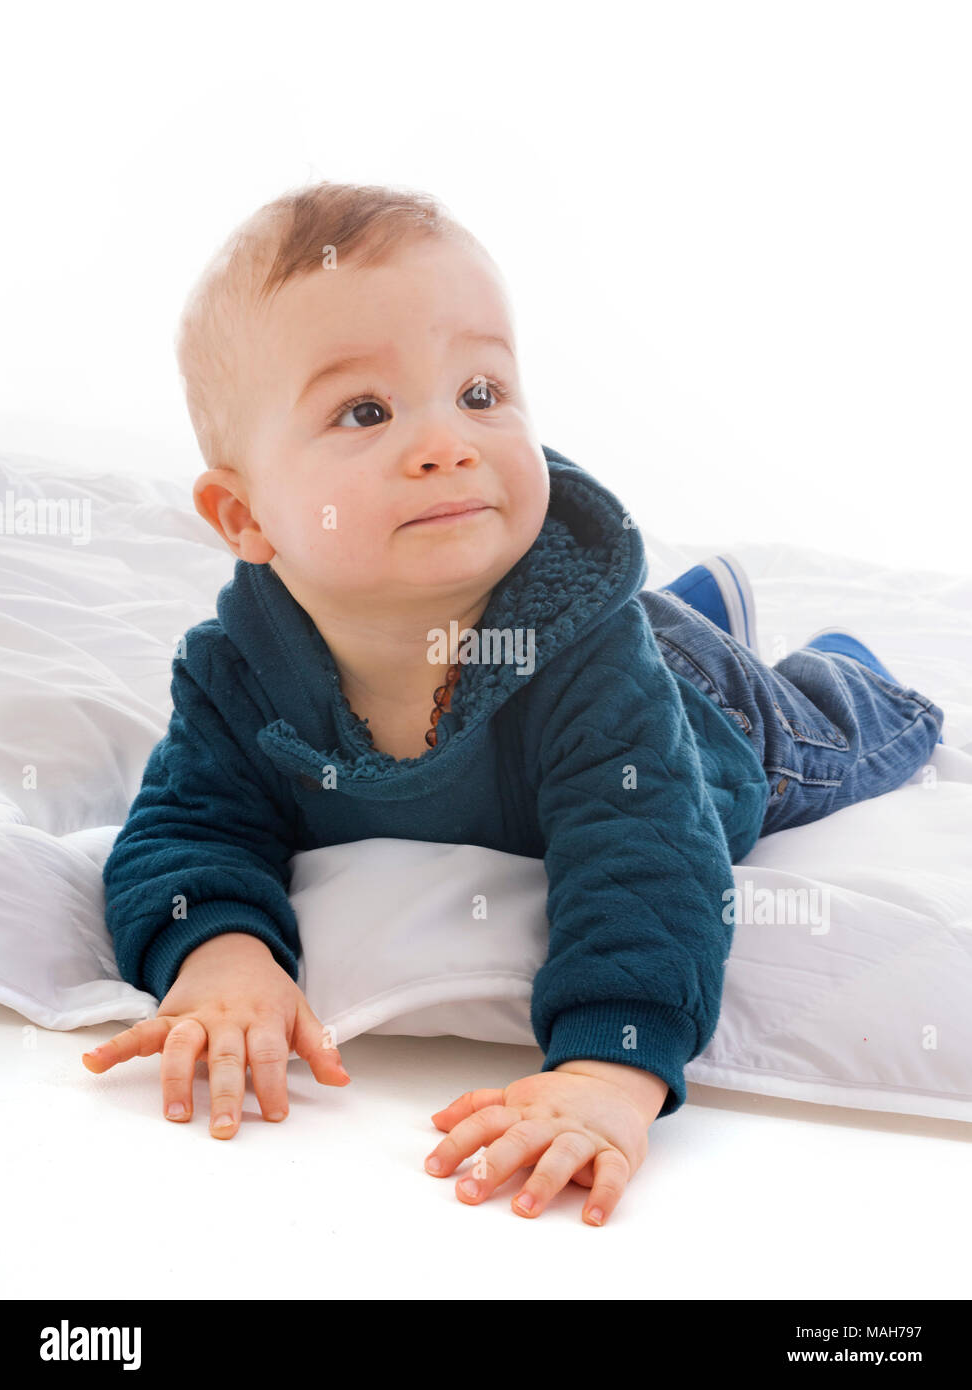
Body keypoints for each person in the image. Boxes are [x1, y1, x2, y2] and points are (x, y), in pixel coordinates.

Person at [86, 181, 944, 1228]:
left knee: (815, 742)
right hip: (622, 633)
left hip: (703, 716)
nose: (446, 442)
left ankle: (835, 664)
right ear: (244, 513)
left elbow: (646, 858)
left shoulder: (587, 668)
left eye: (481, 393)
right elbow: (184, 829)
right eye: (366, 411)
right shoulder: (239, 674)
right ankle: (693, 603)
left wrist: (607, 1067)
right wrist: (221, 957)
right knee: (664, 626)